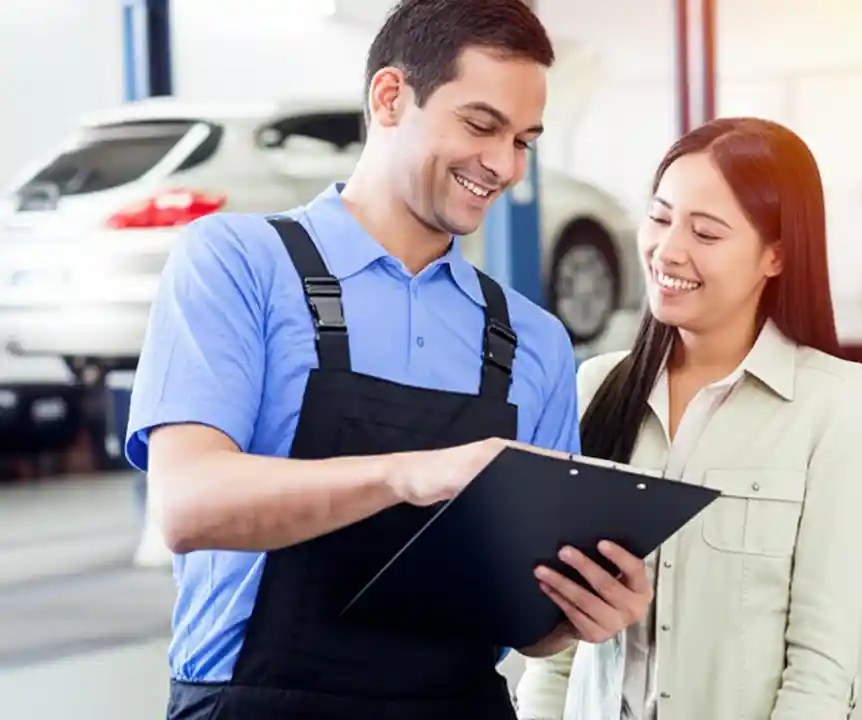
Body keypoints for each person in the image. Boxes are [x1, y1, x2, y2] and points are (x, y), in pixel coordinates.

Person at [125, 1, 653, 718]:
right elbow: (188, 505)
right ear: (390, 97)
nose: (503, 165)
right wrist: (414, 474)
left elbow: (528, 619)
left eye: (524, 139)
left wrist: (579, 612)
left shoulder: (532, 340)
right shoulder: (237, 263)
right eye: (480, 124)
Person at [514, 117, 862, 719]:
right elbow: (554, 651)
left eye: (706, 233)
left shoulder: (833, 404)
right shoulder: (596, 388)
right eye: (660, 217)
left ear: (776, 255)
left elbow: (821, 663)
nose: (668, 250)